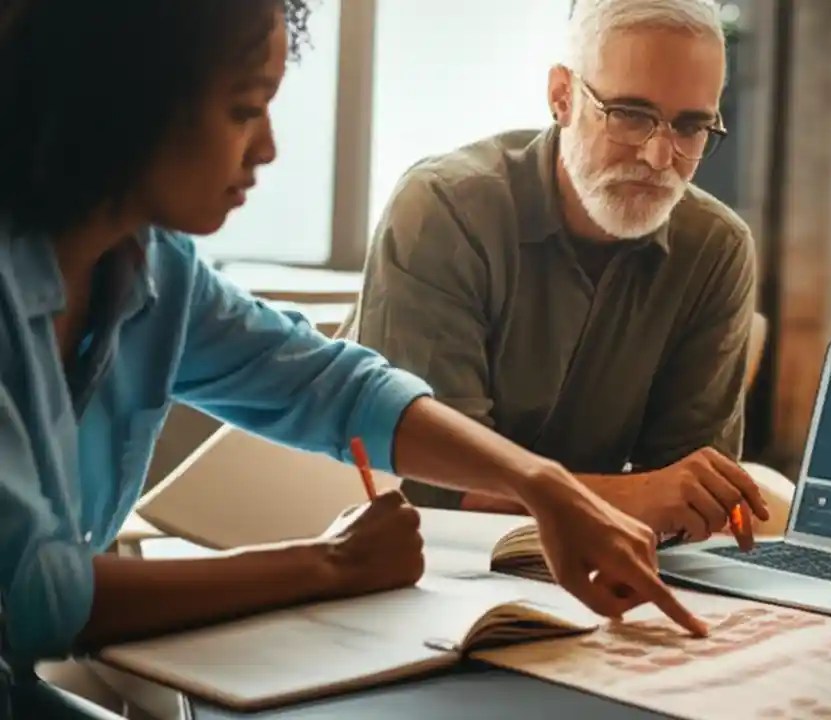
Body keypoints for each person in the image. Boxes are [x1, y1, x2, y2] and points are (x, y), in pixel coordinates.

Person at [0, 0, 711, 714]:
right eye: (247, 110)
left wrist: (539, 483)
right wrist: (327, 565)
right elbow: (34, 595)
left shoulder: (157, 269)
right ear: (126, 101)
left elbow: (334, 386)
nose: (268, 148)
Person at [342, 0, 770, 548]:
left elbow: (690, 498)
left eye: (692, 126)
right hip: (423, 557)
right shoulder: (444, 209)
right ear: (562, 96)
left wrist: (673, 501)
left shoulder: (717, 248)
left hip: (604, 561)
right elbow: (434, 485)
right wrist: (635, 497)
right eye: (630, 115)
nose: (661, 156)